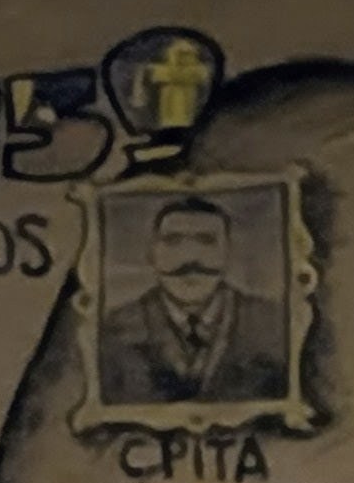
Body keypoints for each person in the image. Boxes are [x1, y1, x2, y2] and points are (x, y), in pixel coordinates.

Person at [96, 173, 296, 411]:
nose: (190, 257)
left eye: (207, 240)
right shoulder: (111, 330)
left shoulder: (275, 323)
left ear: (228, 251)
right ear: (151, 253)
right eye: (172, 241)